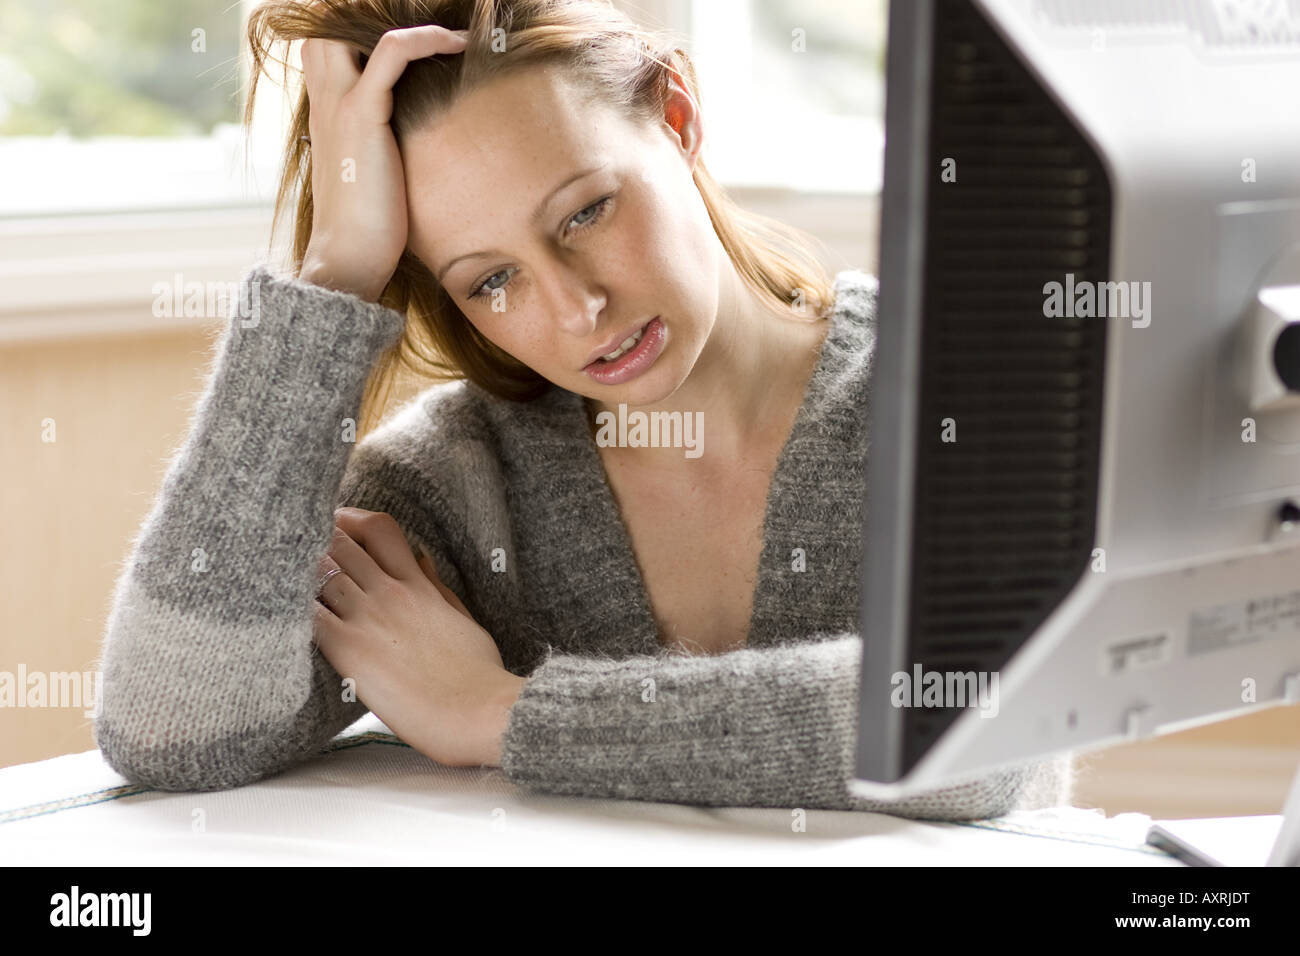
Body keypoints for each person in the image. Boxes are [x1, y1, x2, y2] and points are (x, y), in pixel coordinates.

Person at [94, 0, 1074, 817]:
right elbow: (174, 726)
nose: (576, 308)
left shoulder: (949, 391)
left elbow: (990, 724)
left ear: (678, 116)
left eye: (585, 212)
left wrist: (502, 711)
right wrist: (333, 278)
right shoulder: (456, 484)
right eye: (489, 281)